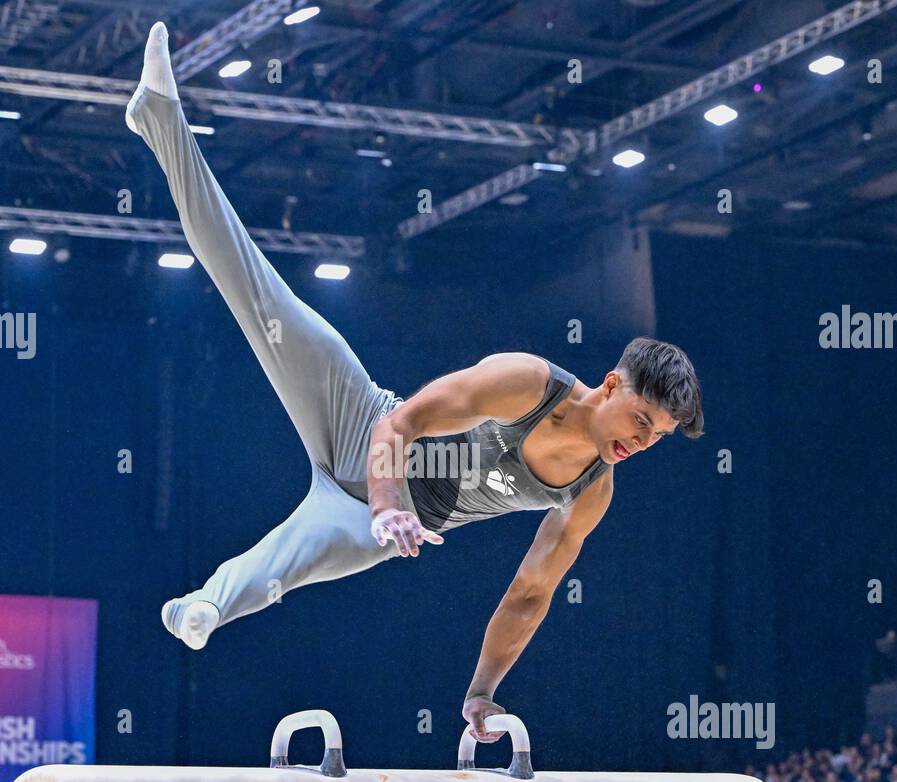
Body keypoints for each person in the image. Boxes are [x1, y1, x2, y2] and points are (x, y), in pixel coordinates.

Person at [125, 23, 703, 738]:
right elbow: (400, 425)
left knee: (280, 571)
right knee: (258, 292)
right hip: (363, 422)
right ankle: (158, 115)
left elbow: (530, 591)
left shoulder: (592, 492)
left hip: (375, 524)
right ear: (613, 384)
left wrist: (481, 693)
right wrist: (389, 504)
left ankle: (200, 606)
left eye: (659, 437)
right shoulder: (530, 382)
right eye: (642, 421)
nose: (643, 441)